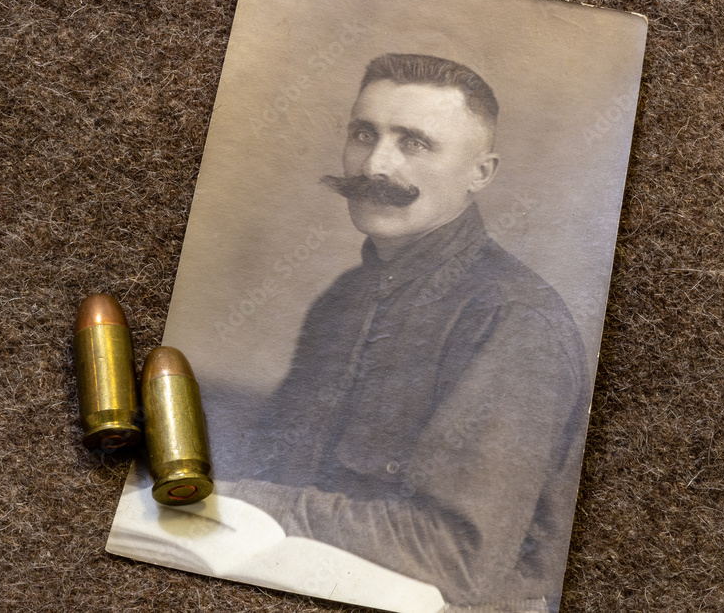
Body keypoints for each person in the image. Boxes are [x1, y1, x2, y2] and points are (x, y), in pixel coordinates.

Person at [221, 54, 590, 612]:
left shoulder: (513, 321)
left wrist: (245, 502)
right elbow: (272, 460)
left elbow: (459, 556)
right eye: (364, 133)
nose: (374, 165)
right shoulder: (343, 299)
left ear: (480, 174)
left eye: (413, 143)